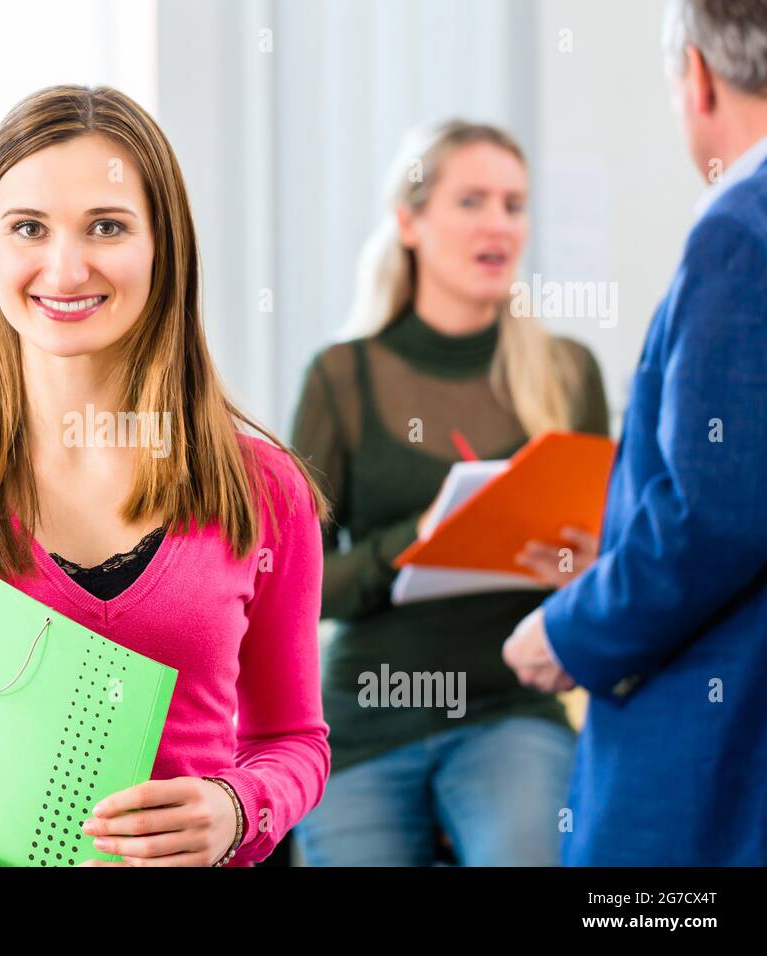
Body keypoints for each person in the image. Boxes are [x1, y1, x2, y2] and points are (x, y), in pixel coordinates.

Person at [0, 84, 332, 866]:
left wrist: (238, 808)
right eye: (28, 229)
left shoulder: (265, 489)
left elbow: (294, 739)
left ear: (162, 245)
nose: (65, 266)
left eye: (106, 226)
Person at [291, 121, 610, 866]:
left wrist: (581, 563)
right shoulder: (342, 376)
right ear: (409, 221)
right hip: (367, 716)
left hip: (510, 708)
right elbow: (297, 582)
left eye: (513, 204)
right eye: (472, 201)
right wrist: (422, 534)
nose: (499, 223)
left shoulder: (567, 373)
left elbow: (606, 561)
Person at [503, 0, 767, 866]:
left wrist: (570, 632)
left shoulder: (740, 230)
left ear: (696, 74)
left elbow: (715, 514)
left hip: (712, 749)